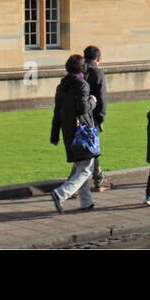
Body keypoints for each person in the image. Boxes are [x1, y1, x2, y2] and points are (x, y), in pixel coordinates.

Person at [49, 53, 98, 212]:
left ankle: (86, 202)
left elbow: (57, 111)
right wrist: (93, 101)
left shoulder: (61, 85)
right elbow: (83, 109)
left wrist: (54, 134)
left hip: (68, 131)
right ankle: (61, 193)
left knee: (80, 166)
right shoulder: (82, 85)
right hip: (81, 132)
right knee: (86, 168)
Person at [83, 45, 108, 189]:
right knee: (88, 151)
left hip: (78, 116)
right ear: (98, 58)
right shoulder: (97, 73)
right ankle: (71, 185)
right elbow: (102, 99)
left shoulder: (79, 71)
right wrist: (101, 118)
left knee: (91, 149)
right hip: (92, 117)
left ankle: (99, 179)